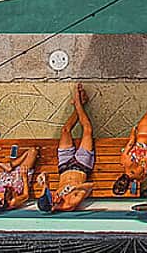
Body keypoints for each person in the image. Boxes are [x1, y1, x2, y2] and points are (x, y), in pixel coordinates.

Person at [36, 84, 96, 212]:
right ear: (53, 206)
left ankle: (79, 104)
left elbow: (46, 182)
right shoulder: (70, 203)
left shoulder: (46, 198)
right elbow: (91, 186)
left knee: (65, 131)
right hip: (82, 166)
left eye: (51, 194)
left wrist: (43, 177)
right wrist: (78, 188)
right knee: (87, 130)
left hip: (64, 167)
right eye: (53, 197)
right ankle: (78, 104)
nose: (54, 194)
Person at [113, 89, 147, 195]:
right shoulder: (124, 161)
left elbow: (145, 166)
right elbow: (131, 143)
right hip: (146, 136)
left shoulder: (140, 177)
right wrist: (133, 131)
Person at [0, 146, 38, 215]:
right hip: (19, 178)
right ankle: (11, 165)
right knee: (32, 151)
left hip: (3, 177)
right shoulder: (12, 202)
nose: (0, 198)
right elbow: (26, 195)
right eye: (0, 202)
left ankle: (7, 164)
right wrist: (25, 177)